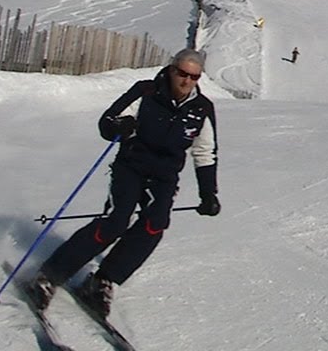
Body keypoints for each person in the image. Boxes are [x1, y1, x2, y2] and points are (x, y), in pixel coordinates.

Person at [25, 49, 220, 318]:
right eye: (182, 74)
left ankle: (102, 280)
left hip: (164, 176)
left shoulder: (202, 109)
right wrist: (120, 126)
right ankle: (49, 275)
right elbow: (107, 121)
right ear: (171, 70)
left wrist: (208, 193)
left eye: (194, 77)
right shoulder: (147, 92)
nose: (186, 81)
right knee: (115, 222)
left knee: (154, 226)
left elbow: (204, 152)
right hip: (131, 166)